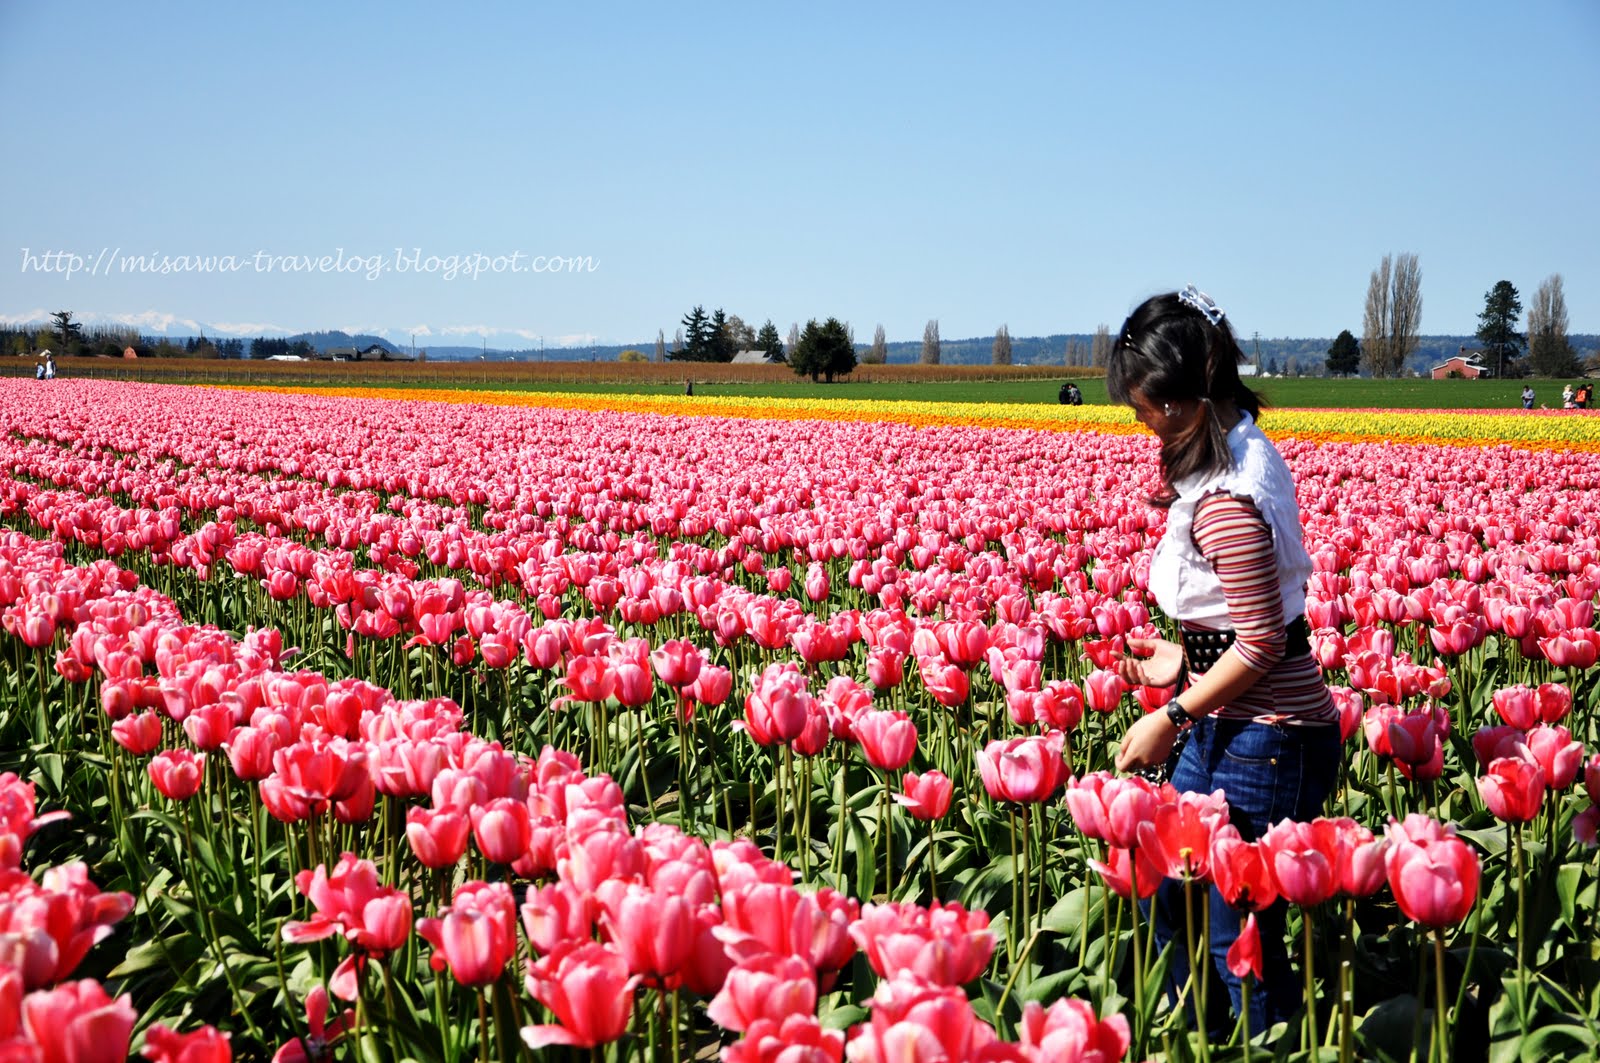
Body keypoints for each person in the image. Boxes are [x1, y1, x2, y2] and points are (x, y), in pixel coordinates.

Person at [1107, 285, 1340, 1032]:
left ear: (1191, 394)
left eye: (1150, 407)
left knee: (1238, 935)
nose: (1143, 422)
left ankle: (1260, 1042)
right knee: (1171, 900)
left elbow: (1268, 640)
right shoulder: (1234, 449)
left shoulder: (1228, 498)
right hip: (1235, 720)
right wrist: (1182, 659)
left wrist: (1170, 715)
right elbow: (1246, 622)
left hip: (1269, 736)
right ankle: (1194, 1038)